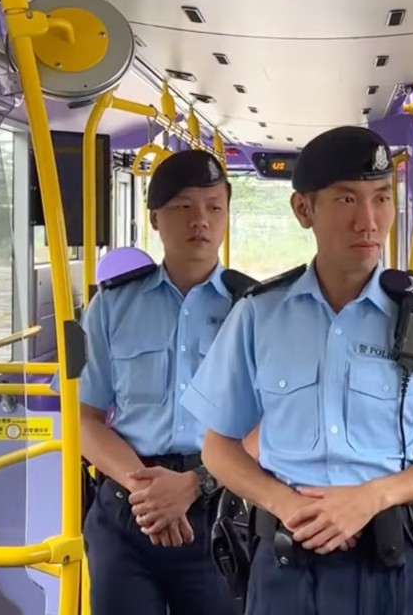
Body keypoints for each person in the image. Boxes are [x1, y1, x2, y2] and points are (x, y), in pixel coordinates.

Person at [180, 126, 413, 614]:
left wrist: (373, 497)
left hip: (394, 564)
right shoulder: (259, 314)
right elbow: (219, 449)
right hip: (286, 564)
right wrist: (284, 503)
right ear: (303, 210)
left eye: (381, 198)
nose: (369, 221)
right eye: (347, 200)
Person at [78, 148, 246, 615]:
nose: (201, 221)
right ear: (155, 218)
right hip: (127, 508)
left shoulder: (253, 309)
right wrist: (147, 491)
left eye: (215, 208)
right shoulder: (112, 306)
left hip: (219, 509)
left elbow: (270, 423)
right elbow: (85, 417)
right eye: (184, 208)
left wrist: (194, 483)